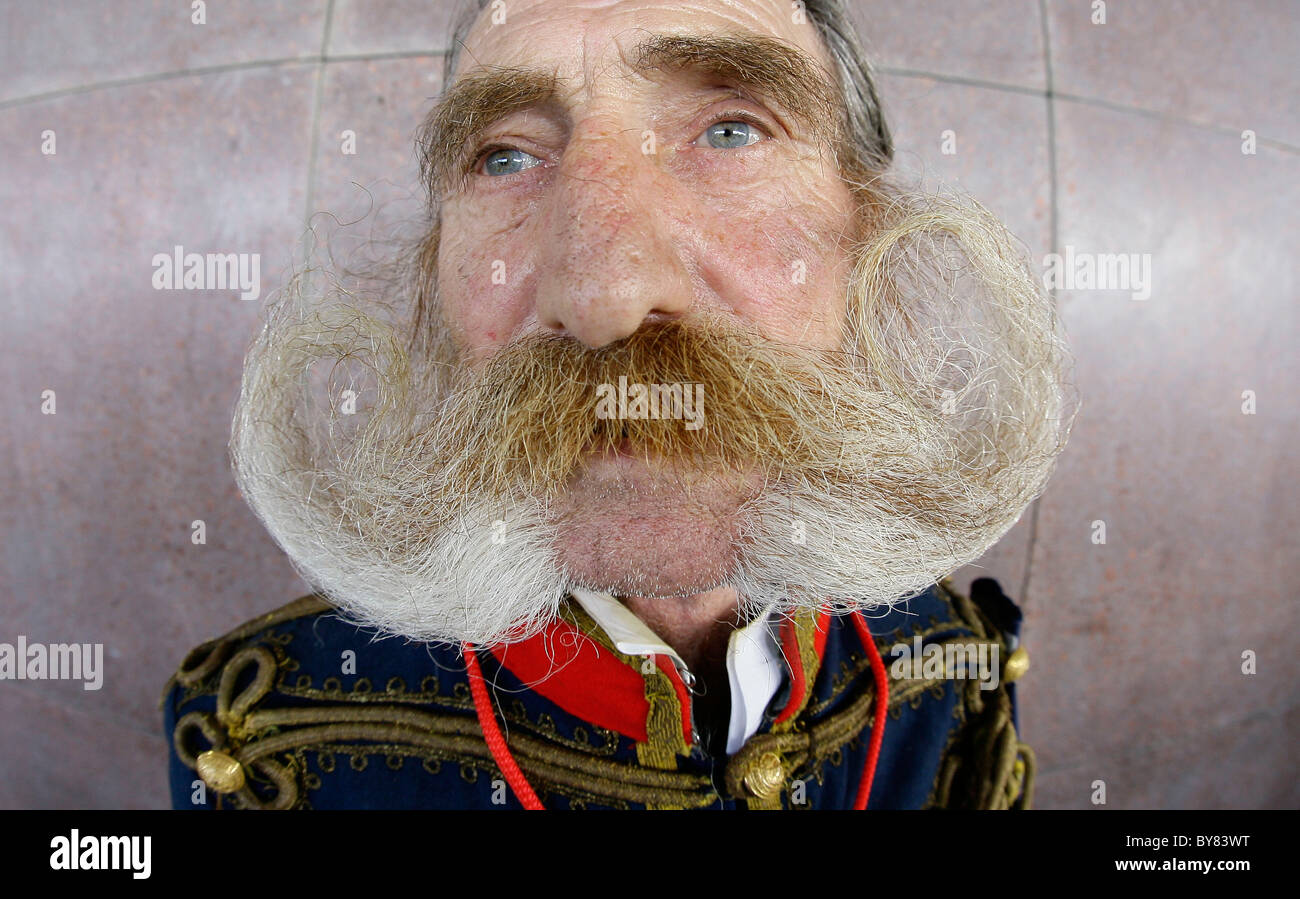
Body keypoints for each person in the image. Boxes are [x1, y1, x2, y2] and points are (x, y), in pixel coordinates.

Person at [162, 0, 1073, 810]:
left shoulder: (952, 665)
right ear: (433, 289)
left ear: (869, 242)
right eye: (505, 157)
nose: (603, 299)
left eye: (730, 131)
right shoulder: (268, 731)